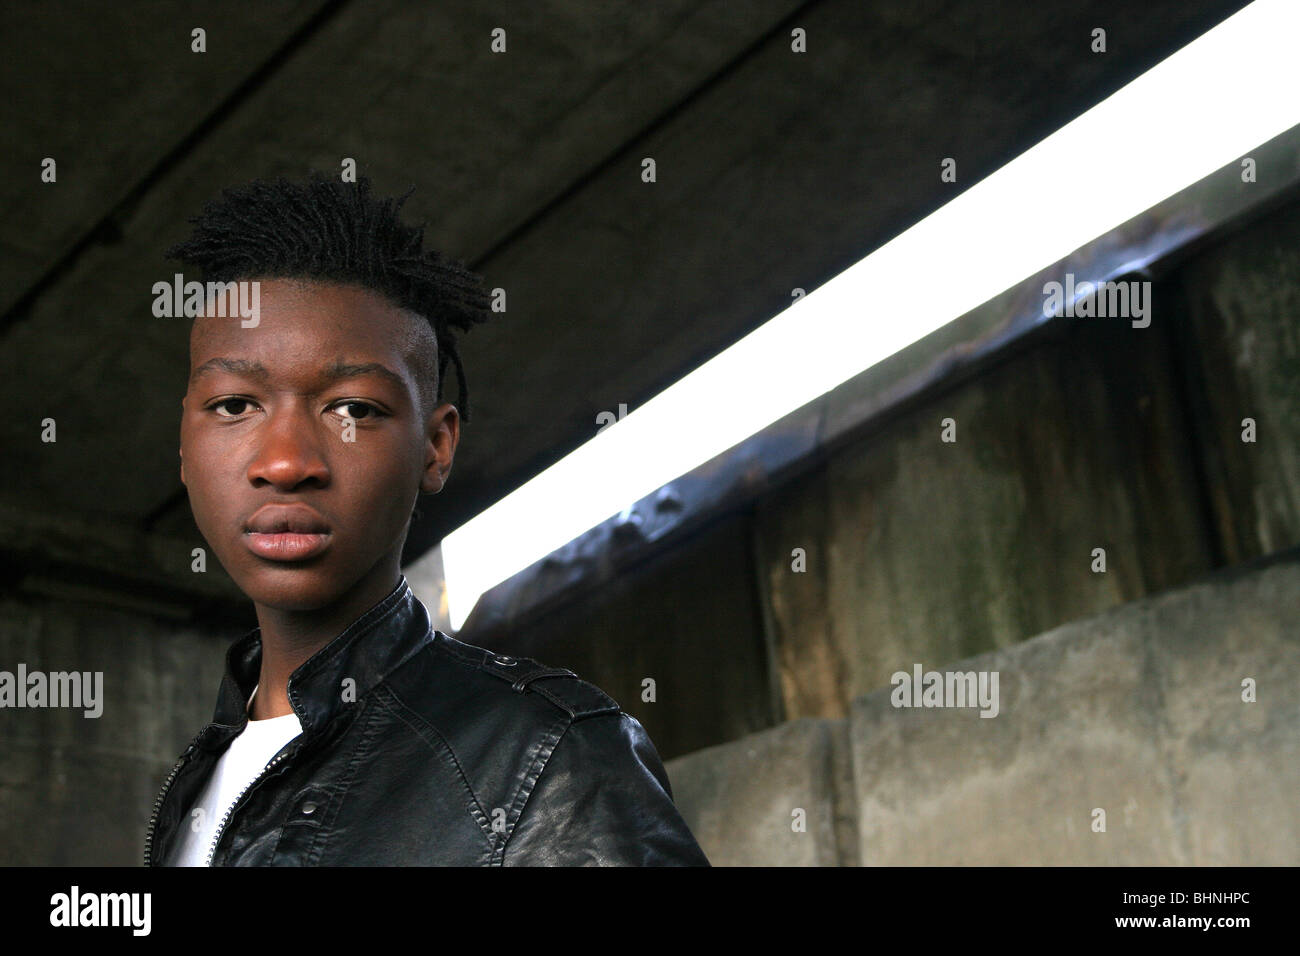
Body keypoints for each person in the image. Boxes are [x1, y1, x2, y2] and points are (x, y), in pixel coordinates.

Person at [144, 173, 709, 866]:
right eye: (235, 405)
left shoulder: (551, 761)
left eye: (353, 408)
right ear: (183, 444)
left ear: (436, 447)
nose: (286, 462)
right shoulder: (200, 782)